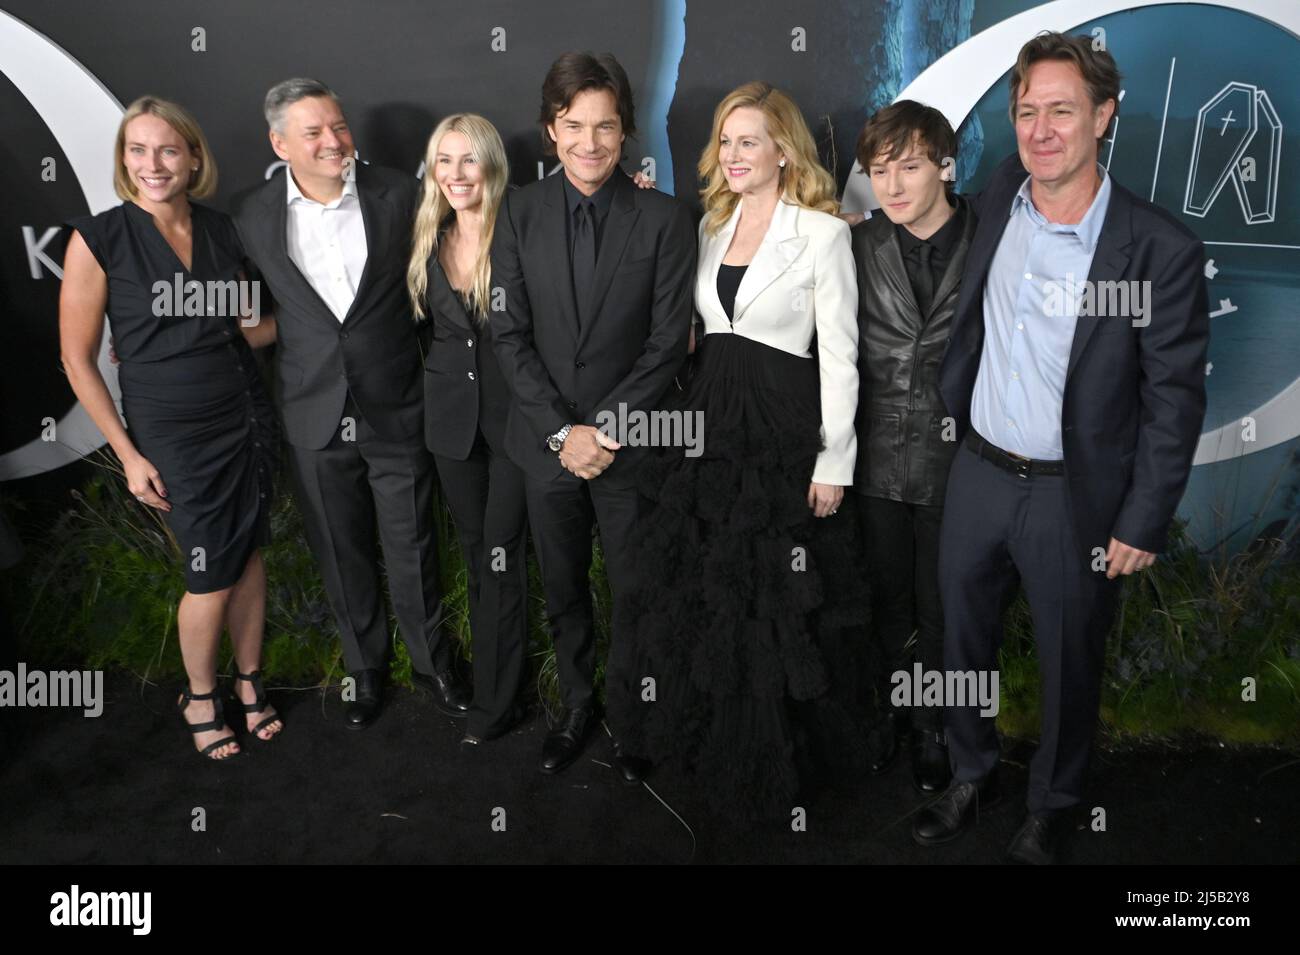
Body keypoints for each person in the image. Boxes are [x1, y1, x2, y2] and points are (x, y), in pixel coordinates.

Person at [913, 32, 1209, 863]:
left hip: (1070, 497)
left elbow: (1173, 398)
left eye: (1063, 111)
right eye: (1027, 111)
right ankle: (971, 772)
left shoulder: (1159, 250)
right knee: (961, 638)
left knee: (1069, 658)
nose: (1041, 130)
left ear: (1104, 116)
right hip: (977, 470)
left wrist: (1143, 519)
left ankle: (1056, 799)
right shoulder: (1002, 187)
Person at [608, 81, 868, 820]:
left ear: (784, 149)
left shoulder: (824, 234)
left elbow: (842, 356)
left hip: (785, 426)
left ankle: (775, 754)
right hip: (709, 421)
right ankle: (706, 743)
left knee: (773, 597)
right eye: (725, 141)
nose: (732, 154)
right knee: (706, 589)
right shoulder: (708, 229)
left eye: (748, 140)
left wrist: (834, 459)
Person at [231, 79, 469, 729]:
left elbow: (485, 220)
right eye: (314, 133)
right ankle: (365, 667)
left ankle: (432, 661)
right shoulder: (249, 216)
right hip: (310, 407)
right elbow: (239, 308)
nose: (334, 141)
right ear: (280, 144)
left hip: (395, 399)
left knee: (413, 541)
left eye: (338, 126)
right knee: (340, 546)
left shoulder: (401, 193)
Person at [491, 52, 696, 776]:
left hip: (630, 447)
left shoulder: (666, 219)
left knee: (638, 590)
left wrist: (602, 430)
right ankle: (578, 705)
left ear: (625, 131)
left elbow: (669, 340)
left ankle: (635, 715)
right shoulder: (517, 212)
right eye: (574, 125)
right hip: (545, 447)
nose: (590, 142)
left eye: (605, 127)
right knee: (566, 586)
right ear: (551, 128)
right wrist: (560, 431)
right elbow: (508, 332)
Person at [60, 96, 282, 759]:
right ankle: (199, 694)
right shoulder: (99, 238)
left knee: (246, 556)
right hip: (172, 432)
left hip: (244, 413)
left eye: (165, 149)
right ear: (124, 160)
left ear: (192, 157)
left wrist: (320, 321)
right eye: (137, 149)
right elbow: (76, 357)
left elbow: (246, 331)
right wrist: (127, 453)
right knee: (209, 569)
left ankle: (248, 682)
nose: (151, 163)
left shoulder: (223, 230)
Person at [850, 100, 976, 792]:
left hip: (959, 466)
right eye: (878, 171)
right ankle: (890, 719)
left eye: (909, 166)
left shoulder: (988, 239)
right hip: (873, 464)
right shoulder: (858, 243)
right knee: (885, 601)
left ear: (945, 166)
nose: (892, 186)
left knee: (942, 608)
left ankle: (935, 729)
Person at [406, 114, 530, 746]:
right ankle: (503, 681)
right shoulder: (428, 239)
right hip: (451, 426)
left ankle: (495, 702)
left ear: (491, 165)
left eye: (469, 160)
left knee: (500, 554)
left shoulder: (522, 230)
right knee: (481, 555)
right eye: (444, 161)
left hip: (517, 423)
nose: (456, 175)